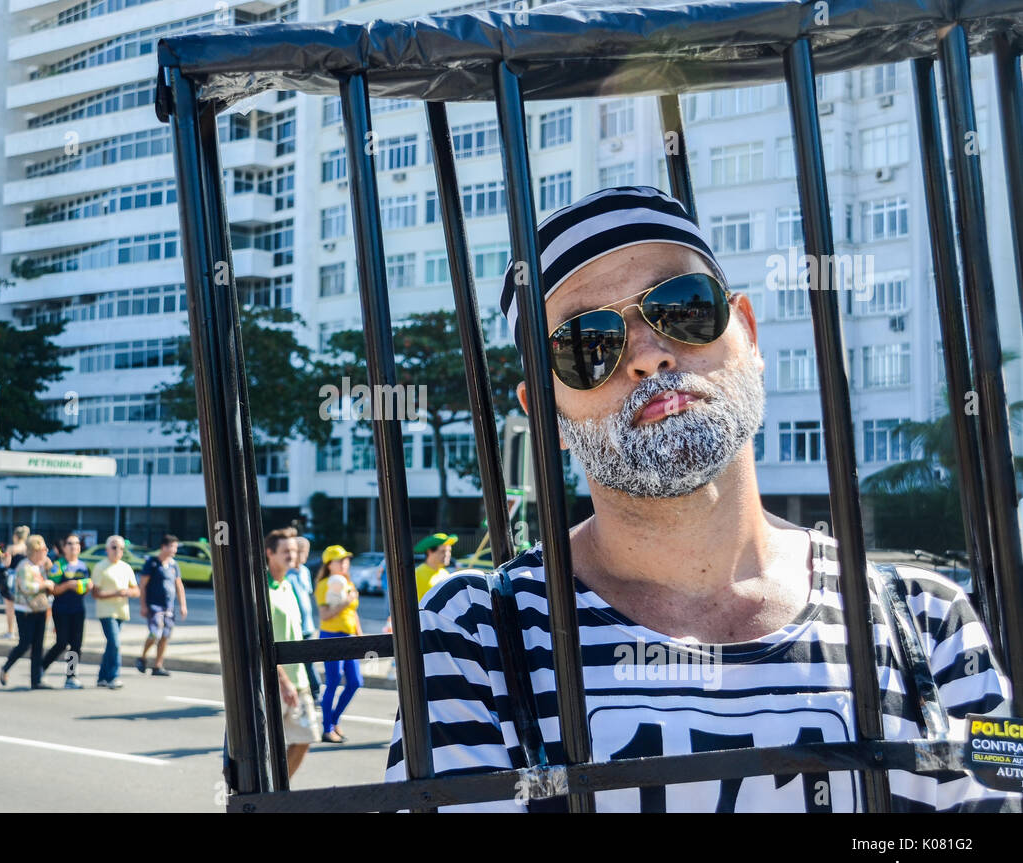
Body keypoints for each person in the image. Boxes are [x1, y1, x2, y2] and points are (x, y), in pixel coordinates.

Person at [384, 185, 1020, 812]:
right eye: (586, 344)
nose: (649, 356)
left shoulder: (928, 622)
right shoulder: (473, 636)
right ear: (546, 413)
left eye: (683, 307)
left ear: (748, 332)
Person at [265, 527, 320, 777]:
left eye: (294, 551)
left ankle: (277, 790)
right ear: (270, 553)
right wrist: (283, 680)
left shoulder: (288, 585)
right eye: (286, 551)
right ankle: (264, 793)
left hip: (299, 678)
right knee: (264, 746)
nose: (292, 555)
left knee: (305, 738)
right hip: (275, 682)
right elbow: (261, 642)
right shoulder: (261, 589)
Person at [314, 544, 362, 744]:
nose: (345, 563)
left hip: (349, 637)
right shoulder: (325, 584)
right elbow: (325, 615)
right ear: (329, 564)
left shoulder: (348, 582)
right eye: (340, 560)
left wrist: (360, 636)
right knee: (333, 681)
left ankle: (333, 720)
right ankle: (327, 729)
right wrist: (346, 602)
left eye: (346, 559)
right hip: (331, 636)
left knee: (356, 682)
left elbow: (353, 612)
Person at [0, 535, 55, 689]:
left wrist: (49, 570)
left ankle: (36, 680)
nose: (46, 551)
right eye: (44, 549)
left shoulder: (40, 566)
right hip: (25, 611)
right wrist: (45, 584)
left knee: (38, 646)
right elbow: (26, 587)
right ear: (35, 550)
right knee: (25, 644)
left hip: (40, 609)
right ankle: (6, 667)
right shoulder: (24, 566)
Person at [42, 533, 90, 689]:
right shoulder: (58, 565)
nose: (74, 546)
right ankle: (41, 667)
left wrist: (87, 587)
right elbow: (52, 590)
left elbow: (84, 589)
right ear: (64, 547)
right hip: (61, 609)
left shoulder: (83, 566)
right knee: (62, 642)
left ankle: (71, 676)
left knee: (76, 644)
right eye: (70, 543)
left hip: (78, 610)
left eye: (76, 543)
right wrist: (68, 585)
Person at [91, 534, 139, 689]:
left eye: (121, 548)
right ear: (107, 549)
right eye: (114, 547)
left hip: (121, 611)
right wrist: (115, 593)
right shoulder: (100, 567)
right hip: (106, 612)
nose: (118, 551)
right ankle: (114, 676)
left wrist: (128, 592)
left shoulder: (126, 567)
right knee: (115, 643)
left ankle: (102, 677)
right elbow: (95, 593)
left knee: (111, 645)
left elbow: (136, 590)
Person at [136, 535, 187, 676]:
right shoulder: (152, 563)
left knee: (165, 635)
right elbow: (142, 586)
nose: (175, 550)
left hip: (168, 607)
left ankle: (158, 666)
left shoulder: (173, 565)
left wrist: (183, 605)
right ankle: (142, 657)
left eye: (175, 547)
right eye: (173, 547)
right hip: (154, 606)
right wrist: (143, 605)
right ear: (164, 547)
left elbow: (179, 585)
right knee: (155, 633)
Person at [286, 535, 321, 698]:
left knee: (309, 661)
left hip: (308, 626)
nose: (306, 555)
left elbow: (308, 593)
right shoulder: (287, 573)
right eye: (303, 552)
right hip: (295, 627)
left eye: (307, 551)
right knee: (300, 663)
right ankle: (313, 692)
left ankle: (314, 693)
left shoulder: (305, 571)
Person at [0, 526, 30, 639]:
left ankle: (10, 632)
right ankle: (24, 631)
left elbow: (7, 563)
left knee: (10, 607)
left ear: (15, 536)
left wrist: (2, 557)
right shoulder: (27, 548)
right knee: (24, 607)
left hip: (12, 580)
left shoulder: (11, 548)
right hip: (24, 579)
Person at [414, 533, 456, 601]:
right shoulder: (417, 574)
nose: (447, 554)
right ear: (430, 552)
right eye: (443, 551)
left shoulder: (445, 573)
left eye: (449, 551)